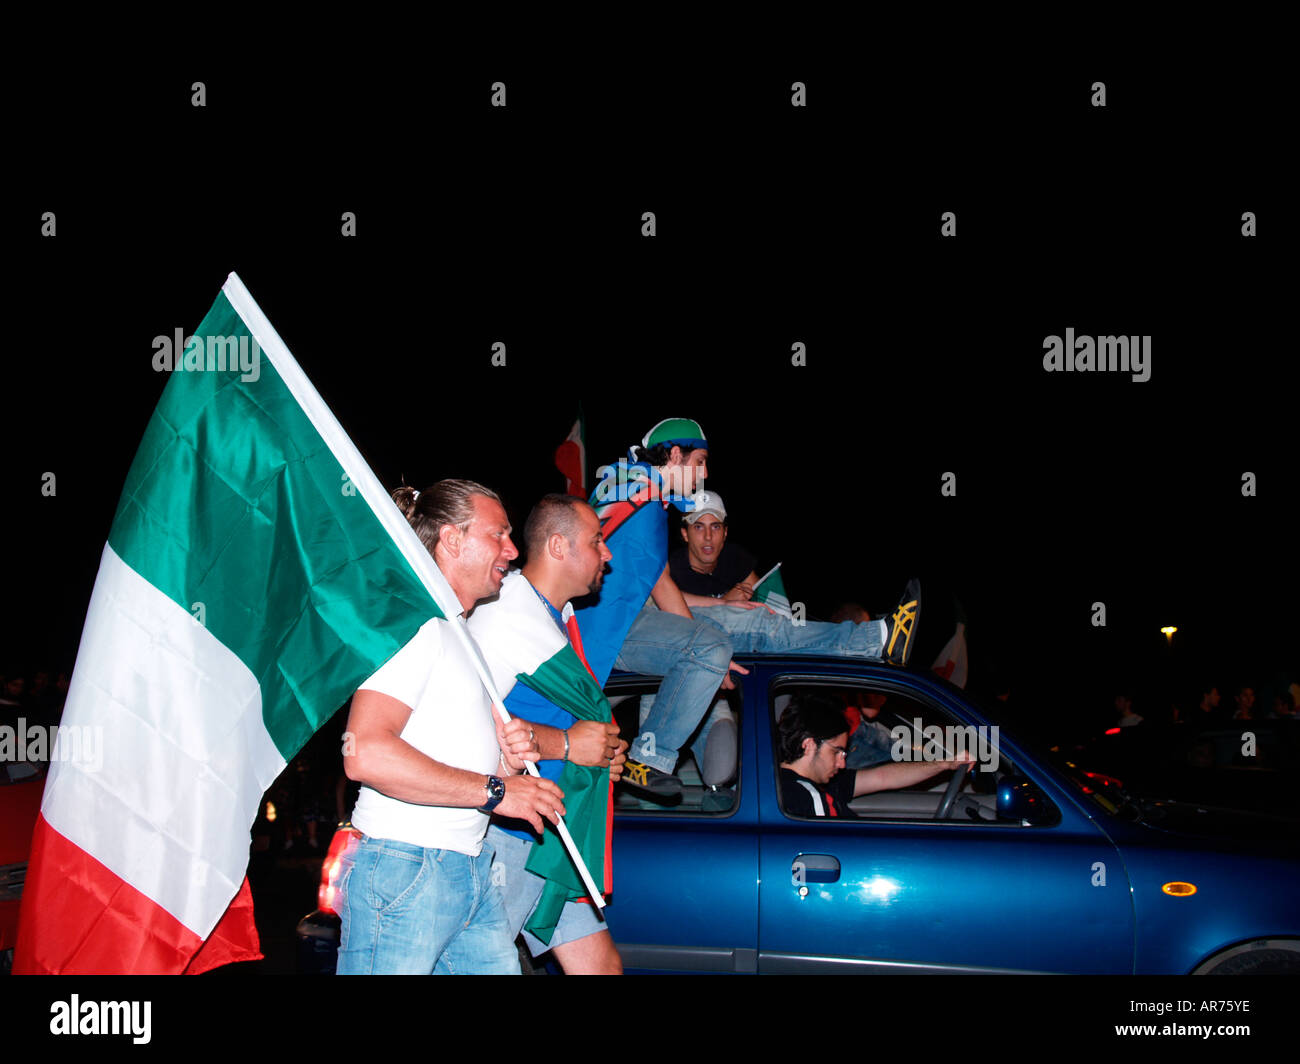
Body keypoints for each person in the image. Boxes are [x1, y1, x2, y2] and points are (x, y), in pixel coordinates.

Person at [579, 419, 923, 799]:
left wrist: (708, 629)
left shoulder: (635, 490)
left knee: (754, 621)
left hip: (629, 620)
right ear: (674, 455)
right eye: (701, 461)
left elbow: (657, 583)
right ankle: (649, 755)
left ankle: (875, 640)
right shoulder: (642, 501)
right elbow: (657, 585)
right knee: (712, 648)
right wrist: (703, 650)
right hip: (611, 634)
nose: (705, 473)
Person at [337, 480, 565, 975]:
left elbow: (451, 748)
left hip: (467, 868)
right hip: (407, 867)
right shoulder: (413, 625)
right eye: (498, 534)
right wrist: (497, 790)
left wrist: (506, 756)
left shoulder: (460, 633)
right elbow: (365, 753)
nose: (512, 549)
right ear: (452, 539)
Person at [469, 494, 627, 974]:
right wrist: (568, 745)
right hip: (510, 832)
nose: (608, 553)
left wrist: (601, 751)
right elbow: (468, 721)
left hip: (553, 833)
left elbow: (572, 723)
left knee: (601, 967)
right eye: (597, 541)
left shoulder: (556, 620)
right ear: (559, 546)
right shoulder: (502, 615)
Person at [777, 694, 973, 817]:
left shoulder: (813, 783)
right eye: (836, 752)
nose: (842, 763)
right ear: (809, 745)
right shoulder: (806, 797)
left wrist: (944, 765)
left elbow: (882, 777)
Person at [668, 491, 759, 604]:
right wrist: (723, 602)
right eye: (698, 527)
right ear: (685, 534)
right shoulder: (671, 570)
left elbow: (767, 599)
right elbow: (669, 603)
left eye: (715, 527)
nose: (708, 536)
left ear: (725, 532)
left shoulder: (736, 558)